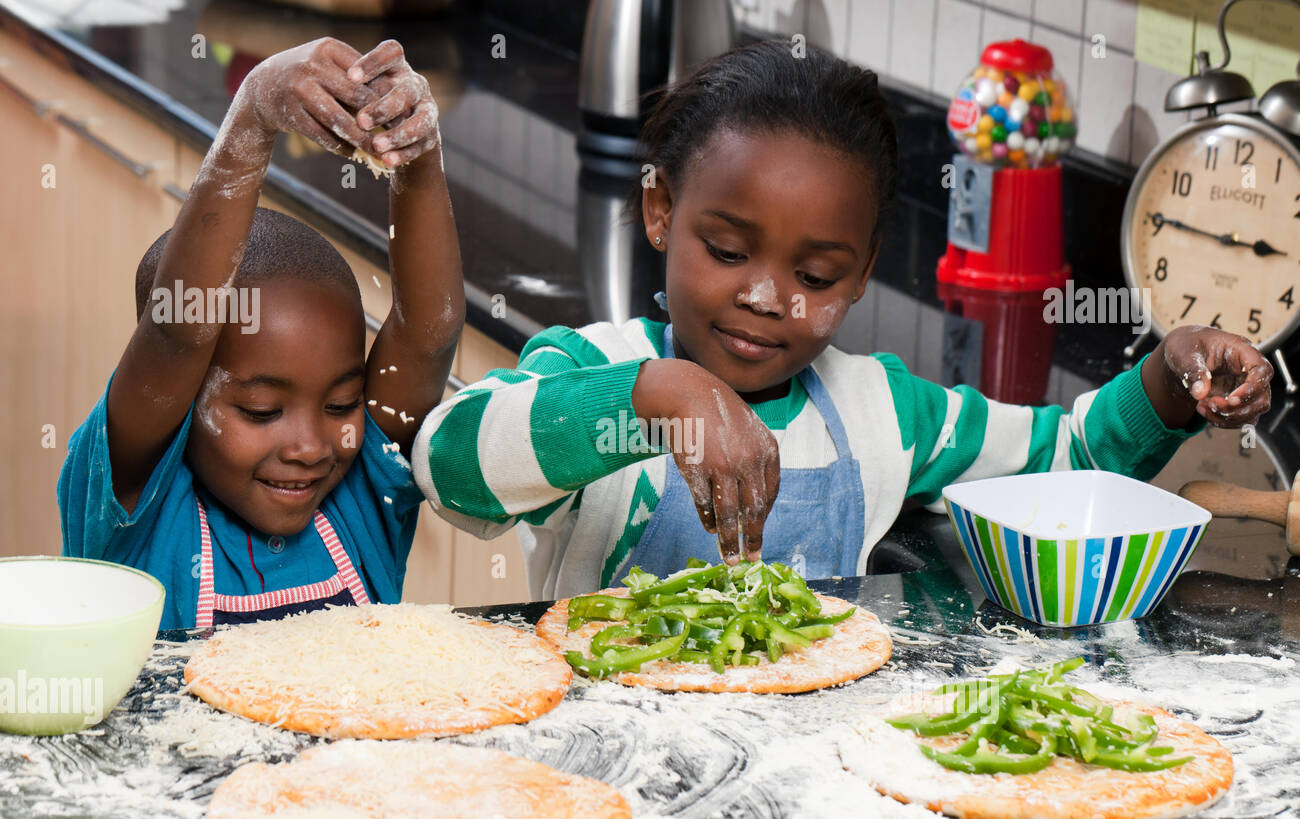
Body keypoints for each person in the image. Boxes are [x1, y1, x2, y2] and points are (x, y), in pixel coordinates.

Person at [413, 40, 1272, 600]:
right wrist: (652, 395)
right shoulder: (595, 367)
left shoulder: (881, 414)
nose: (768, 296)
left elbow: (1066, 457)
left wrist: (1171, 375)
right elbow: (449, 456)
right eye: (726, 249)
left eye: (816, 273)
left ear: (862, 273)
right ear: (661, 211)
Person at [59, 38, 463, 629]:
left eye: (341, 404)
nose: (310, 447)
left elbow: (428, 334)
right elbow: (180, 334)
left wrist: (416, 150)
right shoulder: (134, 500)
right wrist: (251, 115)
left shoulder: (362, 498)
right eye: (261, 410)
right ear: (181, 400)